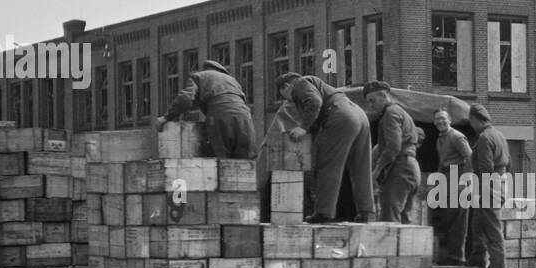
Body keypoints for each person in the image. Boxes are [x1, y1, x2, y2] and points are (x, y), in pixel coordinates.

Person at [277, 72, 374, 224]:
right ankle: (366, 211)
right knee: (360, 166)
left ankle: (324, 213)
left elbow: (314, 102)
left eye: (285, 96)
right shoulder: (319, 87)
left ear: (287, 86)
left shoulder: (300, 84)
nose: (289, 101)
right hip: (359, 116)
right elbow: (317, 129)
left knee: (327, 165)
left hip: (340, 115)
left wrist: (302, 128)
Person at [157, 60, 255, 158]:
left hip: (219, 116)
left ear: (206, 69)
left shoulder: (199, 77)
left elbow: (185, 99)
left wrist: (167, 117)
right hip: (245, 117)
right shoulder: (233, 80)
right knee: (245, 162)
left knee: (220, 160)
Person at [363, 80, 421, 223]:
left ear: (384, 96)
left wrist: (376, 172)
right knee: (404, 221)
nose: (371, 105)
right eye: (368, 102)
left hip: (399, 170)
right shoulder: (400, 112)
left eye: (373, 100)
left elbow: (393, 148)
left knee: (389, 221)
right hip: (411, 168)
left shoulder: (390, 114)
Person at [465, 104, 510, 268]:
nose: (471, 125)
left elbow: (485, 167)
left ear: (476, 120)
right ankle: (477, 257)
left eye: (471, 121)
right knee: (478, 222)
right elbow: (509, 161)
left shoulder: (484, 138)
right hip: (498, 182)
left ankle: (498, 265)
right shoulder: (499, 135)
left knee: (491, 225)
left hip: (488, 185)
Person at [433, 108, 472, 265]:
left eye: (443, 118)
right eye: (437, 119)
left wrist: (465, 181)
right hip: (447, 180)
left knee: (459, 220)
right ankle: (450, 255)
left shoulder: (456, 136)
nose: (440, 122)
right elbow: (442, 163)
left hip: (458, 178)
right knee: (448, 218)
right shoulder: (440, 139)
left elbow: (470, 157)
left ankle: (458, 257)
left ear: (449, 119)